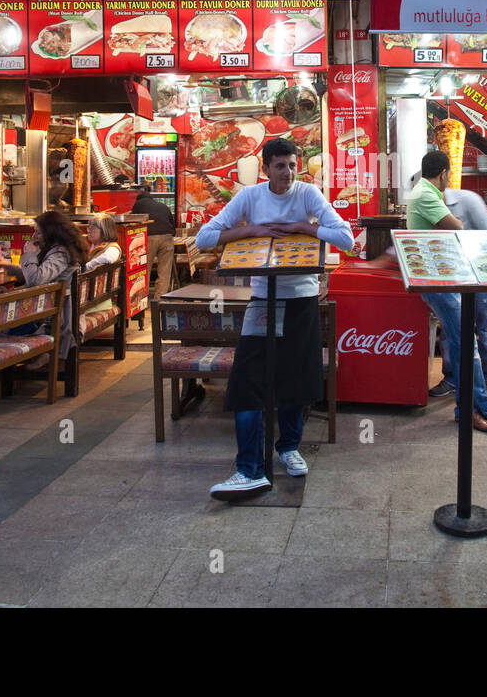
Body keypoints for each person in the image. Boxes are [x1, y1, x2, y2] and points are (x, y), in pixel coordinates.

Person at [196, 137, 353, 499]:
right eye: (280, 166)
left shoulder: (308, 195)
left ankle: (288, 448)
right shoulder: (250, 197)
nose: (288, 173)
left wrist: (305, 228)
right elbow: (205, 238)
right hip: (263, 302)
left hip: (301, 300)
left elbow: (345, 238)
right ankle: (249, 468)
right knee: (247, 382)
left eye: (292, 165)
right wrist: (250, 230)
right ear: (265, 168)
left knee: (298, 380)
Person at [407, 150, 487, 434]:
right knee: (465, 343)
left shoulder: (426, 192)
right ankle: (482, 409)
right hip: (435, 280)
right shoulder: (425, 194)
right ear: (444, 173)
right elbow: (456, 226)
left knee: (462, 343)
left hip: (443, 277)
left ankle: (470, 409)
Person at [0, 210, 86, 369]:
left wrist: (30, 255)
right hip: (46, 310)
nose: (35, 235)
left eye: (38, 232)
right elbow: (37, 276)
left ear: (51, 232)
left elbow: (35, 280)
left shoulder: (60, 253)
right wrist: (7, 265)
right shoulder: (57, 250)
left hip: (47, 319)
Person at [430, 184, 487, 399]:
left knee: (486, 328)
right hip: (452, 276)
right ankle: (452, 378)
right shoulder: (430, 206)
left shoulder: (468, 200)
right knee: (450, 330)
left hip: (481, 275)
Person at [133, 184, 177, 300]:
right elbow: (173, 225)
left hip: (149, 237)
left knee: (145, 270)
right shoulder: (162, 205)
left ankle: (142, 300)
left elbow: (133, 222)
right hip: (167, 237)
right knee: (164, 271)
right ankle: (159, 300)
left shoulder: (138, 204)